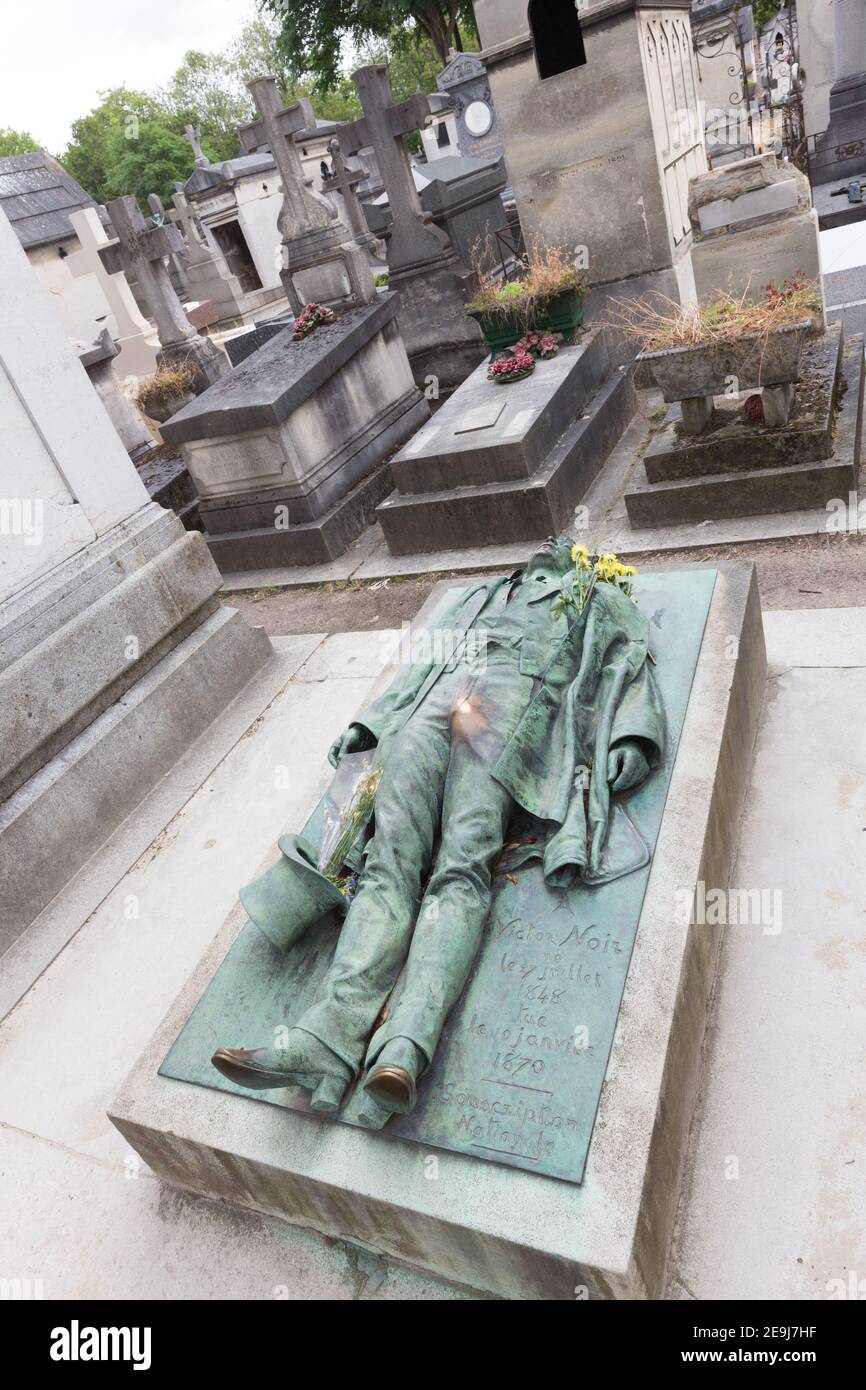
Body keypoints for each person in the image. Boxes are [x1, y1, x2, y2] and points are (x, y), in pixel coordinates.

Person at [212, 537, 664, 1126]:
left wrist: (631, 734)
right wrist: (371, 722)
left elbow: (627, 664)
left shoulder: (596, 595)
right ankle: (325, 1042)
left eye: (566, 543)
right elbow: (424, 662)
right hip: (437, 706)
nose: (551, 543)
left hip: (510, 711)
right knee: (387, 866)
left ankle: (404, 1045)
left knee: (460, 869)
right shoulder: (482, 594)